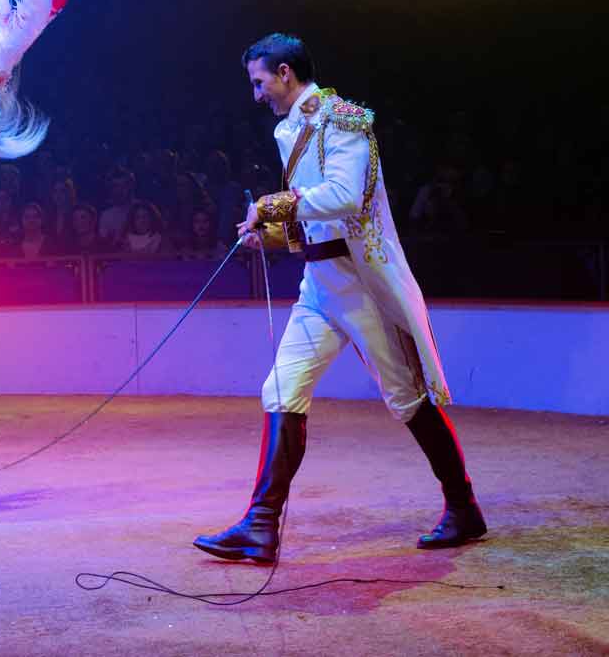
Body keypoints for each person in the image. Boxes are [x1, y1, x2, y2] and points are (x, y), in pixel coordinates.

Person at [193, 33, 485, 564]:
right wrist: (276, 235)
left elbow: (347, 197)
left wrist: (273, 205)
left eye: (259, 82)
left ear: (285, 73)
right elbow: (323, 218)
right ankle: (261, 526)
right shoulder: (291, 128)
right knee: (281, 388)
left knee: (406, 398)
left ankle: (463, 508)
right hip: (319, 286)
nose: (255, 94)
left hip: (361, 287)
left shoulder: (345, 120)